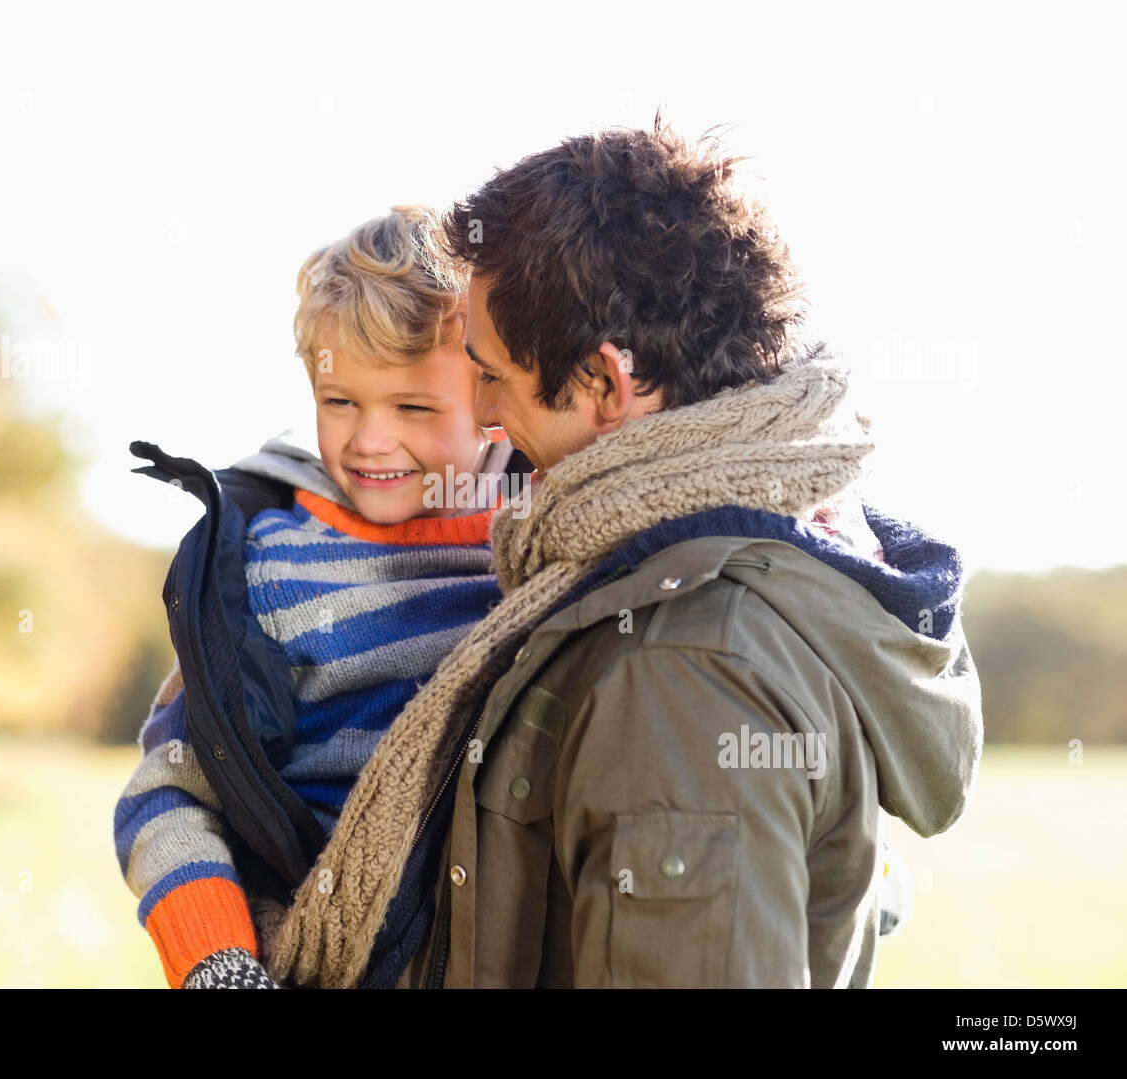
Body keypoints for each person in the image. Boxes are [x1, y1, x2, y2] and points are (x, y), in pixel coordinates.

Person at [253, 118, 984, 988]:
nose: (482, 415)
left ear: (606, 381)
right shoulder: (733, 555)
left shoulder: (683, 660)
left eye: (491, 373)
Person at [112, 205, 531, 988]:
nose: (370, 440)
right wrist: (219, 962)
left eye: (413, 407)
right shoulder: (274, 569)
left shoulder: (544, 540)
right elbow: (166, 790)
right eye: (342, 402)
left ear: (496, 403)